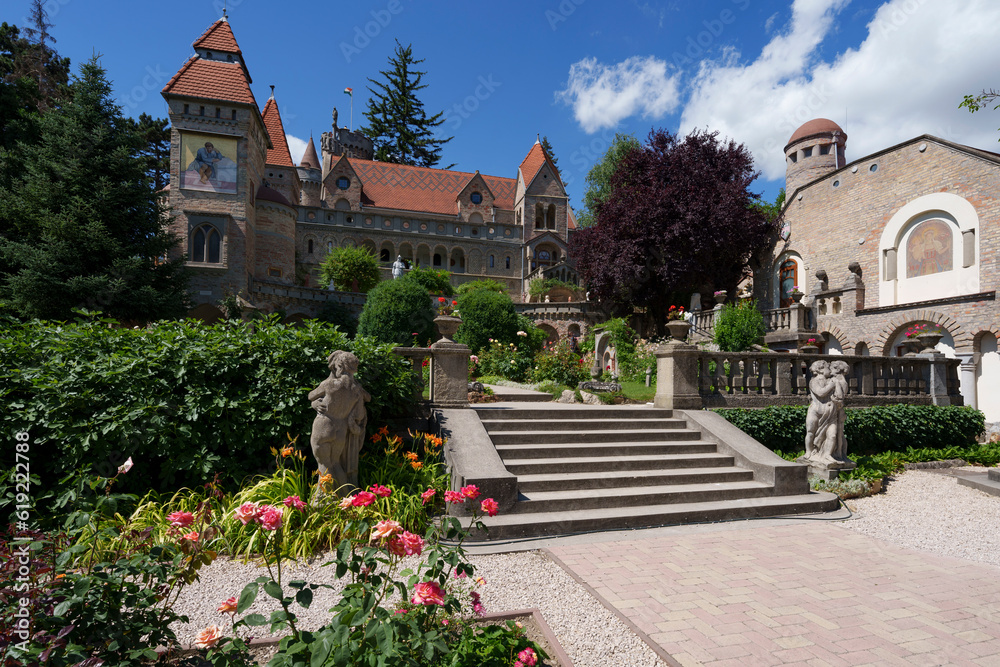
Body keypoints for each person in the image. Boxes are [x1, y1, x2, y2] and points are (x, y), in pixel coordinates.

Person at [802, 360, 836, 464]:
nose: (830, 370)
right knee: (810, 432)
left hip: (829, 412)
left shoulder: (831, 380)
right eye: (827, 368)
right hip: (815, 411)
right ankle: (808, 451)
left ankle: (827, 454)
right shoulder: (813, 381)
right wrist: (832, 385)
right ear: (820, 370)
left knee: (832, 435)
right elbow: (821, 393)